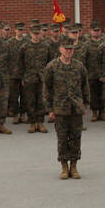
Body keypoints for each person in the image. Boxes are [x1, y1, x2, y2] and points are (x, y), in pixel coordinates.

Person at [42, 37, 89, 179]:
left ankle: (74, 166)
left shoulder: (79, 66)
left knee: (76, 137)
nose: (69, 51)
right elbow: (47, 89)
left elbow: (85, 86)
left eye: (71, 49)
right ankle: (64, 166)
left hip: (76, 108)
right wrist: (49, 109)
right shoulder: (52, 67)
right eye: (66, 48)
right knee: (62, 138)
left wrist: (85, 104)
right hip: (60, 108)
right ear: (60, 49)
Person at [21, 23, 50, 133]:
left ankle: (40, 123)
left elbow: (50, 62)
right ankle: (32, 123)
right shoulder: (25, 47)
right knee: (30, 101)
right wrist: (23, 77)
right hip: (29, 77)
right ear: (30, 33)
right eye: (35, 34)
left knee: (41, 100)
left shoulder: (46, 46)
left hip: (42, 78)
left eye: (38, 33)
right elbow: (21, 63)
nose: (37, 35)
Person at [84, 21, 105, 123]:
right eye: (94, 31)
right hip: (91, 72)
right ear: (90, 31)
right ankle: (94, 113)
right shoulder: (87, 44)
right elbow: (85, 59)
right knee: (93, 94)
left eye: (98, 31)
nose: (96, 33)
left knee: (102, 93)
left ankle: (102, 112)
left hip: (103, 72)